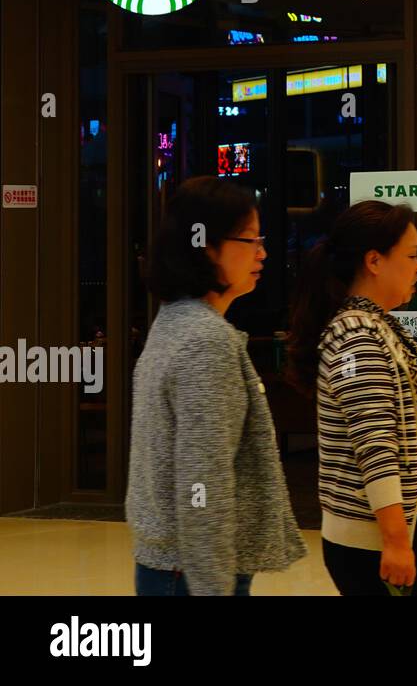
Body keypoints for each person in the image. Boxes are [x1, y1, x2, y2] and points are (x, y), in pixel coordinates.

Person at [126, 176, 307, 596]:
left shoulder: (171, 322)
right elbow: (201, 480)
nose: (262, 252)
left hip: (167, 564)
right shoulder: (207, 341)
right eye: (249, 239)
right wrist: (211, 584)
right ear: (206, 247)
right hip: (190, 572)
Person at [288, 200, 417, 596]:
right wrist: (397, 542)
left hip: (407, 533)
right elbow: (376, 446)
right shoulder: (357, 337)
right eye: (412, 256)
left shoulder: (379, 326)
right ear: (374, 261)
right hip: (374, 543)